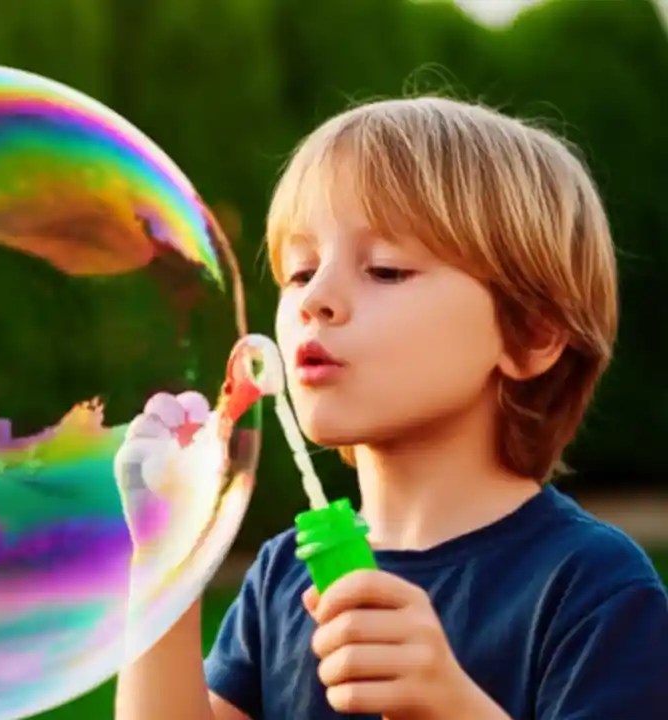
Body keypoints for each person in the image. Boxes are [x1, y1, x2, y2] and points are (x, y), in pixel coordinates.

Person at [114, 96, 668, 719]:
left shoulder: (592, 589)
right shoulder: (283, 580)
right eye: (300, 272)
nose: (315, 299)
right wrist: (167, 560)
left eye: (385, 269)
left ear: (532, 335)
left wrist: (451, 706)